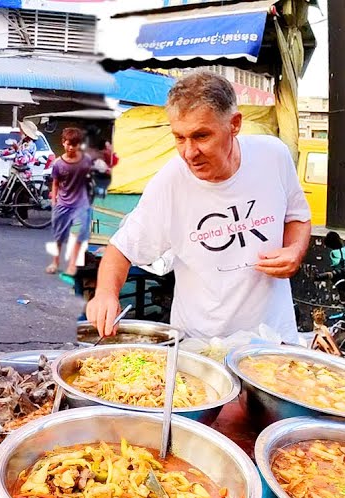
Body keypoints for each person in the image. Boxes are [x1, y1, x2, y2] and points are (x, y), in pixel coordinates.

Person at [86, 71, 312, 343]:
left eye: (201, 136)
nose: (189, 153)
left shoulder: (273, 155)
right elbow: (121, 250)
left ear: (235, 124)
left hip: (273, 338)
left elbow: (297, 217)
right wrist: (106, 294)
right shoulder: (170, 182)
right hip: (200, 345)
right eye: (180, 138)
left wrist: (295, 251)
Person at [47, 127, 93, 276]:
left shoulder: (86, 161)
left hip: (81, 204)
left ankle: (72, 264)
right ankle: (55, 262)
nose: (71, 147)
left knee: (78, 234)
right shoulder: (58, 164)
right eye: (68, 144)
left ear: (79, 145)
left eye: (75, 144)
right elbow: (55, 183)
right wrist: (54, 201)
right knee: (58, 235)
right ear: (63, 143)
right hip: (63, 204)